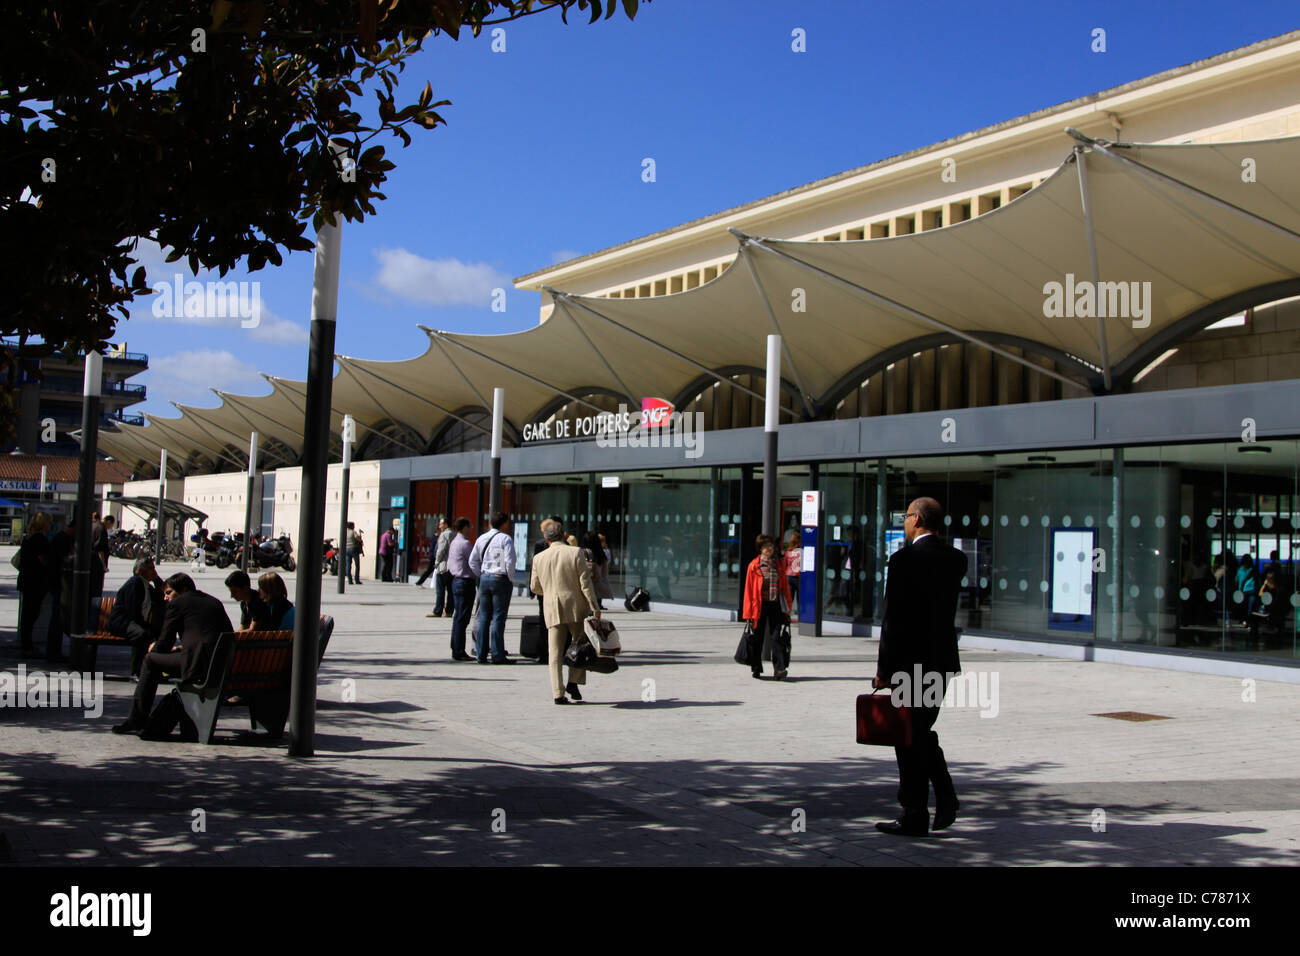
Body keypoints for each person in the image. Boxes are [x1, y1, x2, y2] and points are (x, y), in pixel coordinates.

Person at [872, 497, 966, 838]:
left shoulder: (903, 560)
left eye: (906, 516)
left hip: (909, 663)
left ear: (918, 519)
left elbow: (892, 620)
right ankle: (942, 798)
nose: (904, 522)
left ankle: (916, 810)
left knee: (908, 736)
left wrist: (884, 668)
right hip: (940, 661)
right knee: (919, 731)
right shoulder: (956, 560)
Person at [111, 573, 233, 738]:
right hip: (222, 666)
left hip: (198, 667)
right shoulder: (214, 602)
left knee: (150, 661)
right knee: (168, 659)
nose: (165, 597)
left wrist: (153, 649)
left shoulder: (177, 603)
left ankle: (136, 719)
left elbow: (164, 643)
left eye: (168, 592)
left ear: (182, 590)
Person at [529, 518, 601, 704]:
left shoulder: (539, 558)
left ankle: (557, 693)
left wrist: (550, 591)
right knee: (581, 644)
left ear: (546, 539)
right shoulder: (576, 553)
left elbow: (535, 587)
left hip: (552, 607)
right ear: (563, 535)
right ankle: (573, 681)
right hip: (575, 606)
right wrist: (594, 606)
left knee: (554, 652)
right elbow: (585, 583)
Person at [742, 534, 792, 680]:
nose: (770, 549)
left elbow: (784, 588)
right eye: (766, 546)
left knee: (776, 637)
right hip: (759, 606)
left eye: (771, 546)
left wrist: (787, 607)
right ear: (760, 549)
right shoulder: (754, 566)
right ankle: (756, 667)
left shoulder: (778, 564)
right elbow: (749, 591)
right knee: (758, 637)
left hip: (775, 605)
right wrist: (748, 614)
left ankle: (779, 669)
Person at [469, 511, 517, 665]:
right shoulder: (505, 539)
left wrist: (481, 574)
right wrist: (508, 578)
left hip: (484, 578)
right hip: (500, 578)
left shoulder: (481, 538)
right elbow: (510, 561)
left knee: (483, 616)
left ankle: (480, 653)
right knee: (498, 617)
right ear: (504, 524)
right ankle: (497, 654)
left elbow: (472, 560)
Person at [109, 556, 167, 679]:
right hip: (123, 622)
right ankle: (136, 672)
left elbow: (162, 595)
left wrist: (156, 579)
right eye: (151, 568)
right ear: (141, 570)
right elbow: (132, 612)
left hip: (133, 621)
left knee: (157, 633)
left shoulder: (145, 584)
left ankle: (156, 669)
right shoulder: (135, 583)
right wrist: (145, 627)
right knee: (140, 634)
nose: (154, 571)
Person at [16, 512, 52, 659]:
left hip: (26, 580)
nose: (50, 526)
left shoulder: (28, 538)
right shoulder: (40, 539)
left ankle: (27, 645)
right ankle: (27, 647)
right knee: (31, 614)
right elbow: (43, 560)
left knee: (27, 615)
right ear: (44, 524)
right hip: (35, 582)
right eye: (49, 523)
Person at [46, 518, 77, 661]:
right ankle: (53, 652)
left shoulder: (62, 538)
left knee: (58, 617)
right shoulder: (63, 540)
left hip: (59, 583)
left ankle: (54, 650)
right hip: (60, 584)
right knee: (58, 618)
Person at [446, 517, 476, 661]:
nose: (471, 529)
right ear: (464, 527)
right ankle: (459, 650)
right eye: (470, 526)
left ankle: (455, 647)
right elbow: (473, 562)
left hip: (456, 580)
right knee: (462, 618)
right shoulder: (465, 544)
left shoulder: (454, 542)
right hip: (465, 582)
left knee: (458, 616)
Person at [426, 519, 454, 618]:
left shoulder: (444, 535)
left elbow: (441, 550)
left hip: (443, 566)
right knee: (450, 590)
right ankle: (449, 611)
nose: (439, 526)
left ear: (446, 524)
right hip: (452, 567)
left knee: (440, 590)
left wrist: (436, 562)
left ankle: (438, 610)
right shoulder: (454, 534)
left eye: (441, 524)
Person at [582, 531, 613, 609]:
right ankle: (599, 605)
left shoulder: (584, 552)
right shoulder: (601, 553)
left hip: (588, 581)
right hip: (598, 582)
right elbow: (605, 572)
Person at [90, 513, 114, 598]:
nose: (110, 528)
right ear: (108, 522)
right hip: (97, 563)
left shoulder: (94, 525)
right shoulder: (101, 529)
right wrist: (103, 565)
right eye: (111, 525)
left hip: (91, 560)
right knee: (96, 588)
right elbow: (100, 549)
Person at [783, 530, 802, 619]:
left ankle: (787, 615)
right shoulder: (801, 552)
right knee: (800, 598)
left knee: (789, 597)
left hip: (789, 576)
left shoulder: (788, 552)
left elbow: (785, 564)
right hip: (798, 576)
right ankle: (800, 614)